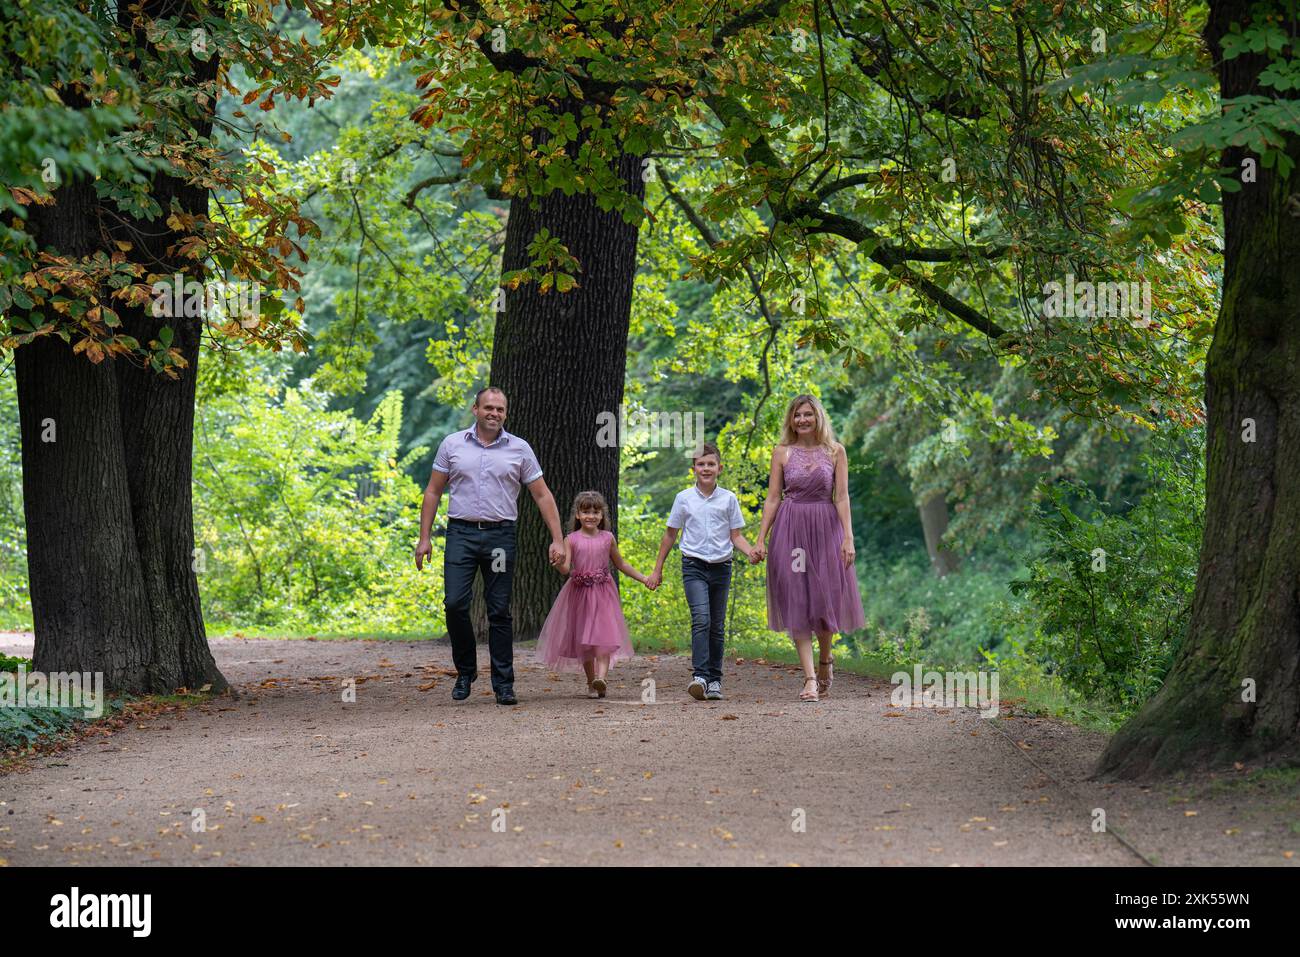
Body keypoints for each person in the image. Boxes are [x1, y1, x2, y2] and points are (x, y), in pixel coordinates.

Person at [414, 386, 566, 706]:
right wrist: (424, 537)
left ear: (506, 414)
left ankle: (504, 683)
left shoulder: (519, 449)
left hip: (499, 539)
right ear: (475, 409)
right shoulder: (452, 444)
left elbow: (542, 494)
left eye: (500, 409)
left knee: (498, 609)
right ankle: (466, 670)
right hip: (461, 536)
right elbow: (432, 492)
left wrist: (558, 539)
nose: (494, 413)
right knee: (455, 604)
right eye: (488, 408)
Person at [755, 394, 866, 702]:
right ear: (791, 420)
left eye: (808, 414)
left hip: (826, 527)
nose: (802, 420)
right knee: (798, 599)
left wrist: (848, 537)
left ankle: (826, 657)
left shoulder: (835, 451)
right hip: (791, 530)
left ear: (818, 417)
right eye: (797, 415)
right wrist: (761, 538)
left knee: (825, 596)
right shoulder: (781, 452)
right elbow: (773, 497)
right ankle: (809, 679)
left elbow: (841, 497)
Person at [647, 442, 761, 701]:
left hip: (722, 568)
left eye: (711, 464)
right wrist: (657, 570)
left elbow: (736, 536)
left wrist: (751, 552)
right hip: (693, 566)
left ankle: (715, 681)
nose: (706, 468)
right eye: (701, 464)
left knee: (717, 627)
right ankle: (699, 676)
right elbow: (670, 535)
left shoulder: (729, 499)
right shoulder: (683, 499)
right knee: (702, 619)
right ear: (693, 469)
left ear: (719, 468)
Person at [536, 491, 648, 698]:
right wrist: (558, 563)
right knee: (585, 640)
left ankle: (602, 679)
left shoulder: (607, 538)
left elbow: (621, 564)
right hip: (579, 595)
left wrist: (644, 578)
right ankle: (591, 682)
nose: (591, 516)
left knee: (602, 637)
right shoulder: (571, 540)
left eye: (596, 512)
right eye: (586, 511)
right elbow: (566, 568)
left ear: (602, 515)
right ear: (577, 515)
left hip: (603, 594)